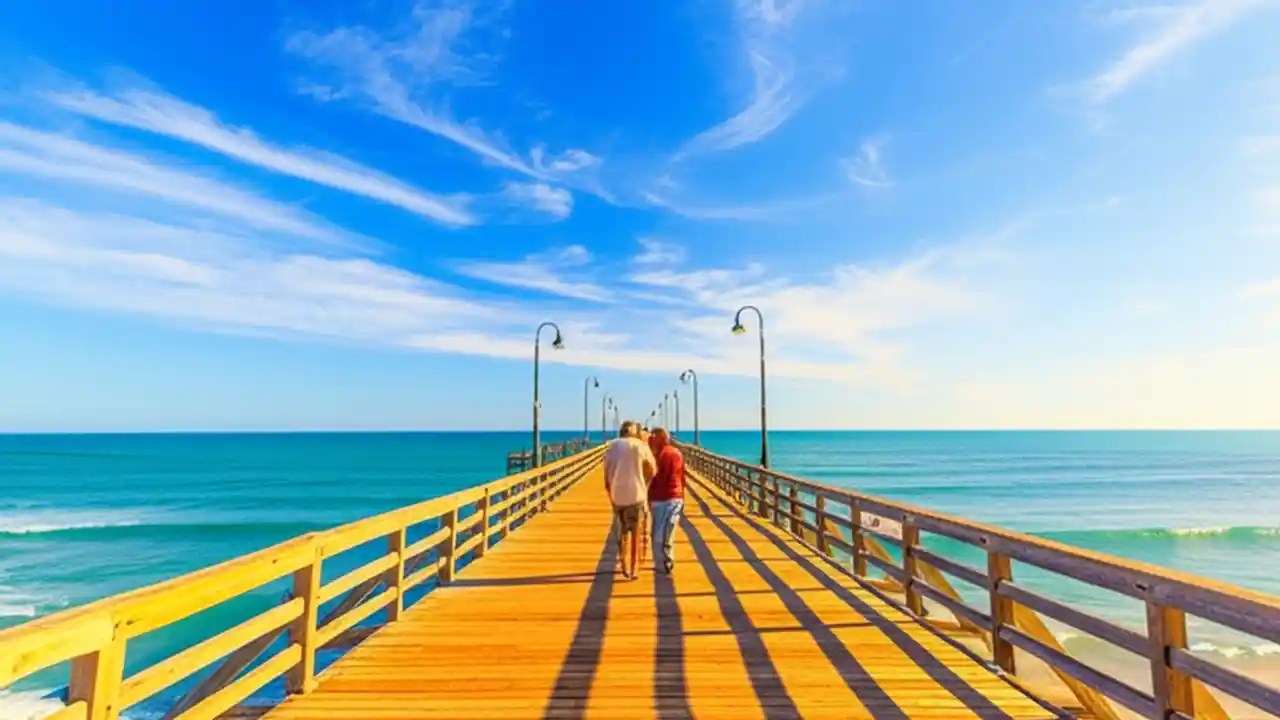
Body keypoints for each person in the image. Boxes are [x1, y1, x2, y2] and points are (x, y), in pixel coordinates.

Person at [604, 420, 655, 580]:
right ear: (634, 432)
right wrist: (645, 482)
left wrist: (610, 492)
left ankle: (624, 565)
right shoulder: (640, 445)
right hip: (637, 494)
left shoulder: (612, 447)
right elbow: (652, 469)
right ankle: (634, 568)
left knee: (622, 533)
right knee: (636, 532)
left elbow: (606, 474)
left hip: (617, 495)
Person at [647, 428, 685, 574]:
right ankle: (668, 557)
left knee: (658, 532)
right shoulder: (677, 453)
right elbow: (682, 476)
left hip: (661, 498)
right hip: (676, 496)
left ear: (659, 439)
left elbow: (658, 478)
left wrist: (648, 496)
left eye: (653, 438)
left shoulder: (659, 455)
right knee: (669, 529)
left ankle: (661, 562)